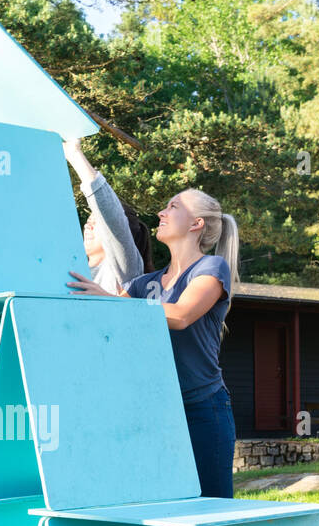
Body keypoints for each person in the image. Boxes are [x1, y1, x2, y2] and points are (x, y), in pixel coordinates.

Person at [68, 189, 239, 498]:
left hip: (203, 409)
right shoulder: (142, 285)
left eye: (173, 207)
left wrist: (111, 301)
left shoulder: (211, 270)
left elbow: (182, 315)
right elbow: (103, 322)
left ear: (196, 224)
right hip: (156, 412)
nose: (161, 213)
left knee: (213, 509)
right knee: (164, 509)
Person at [62, 138, 151, 292]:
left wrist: (74, 154)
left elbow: (111, 215)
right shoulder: (69, 268)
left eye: (96, 222)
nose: (87, 226)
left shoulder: (124, 271)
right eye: (89, 220)